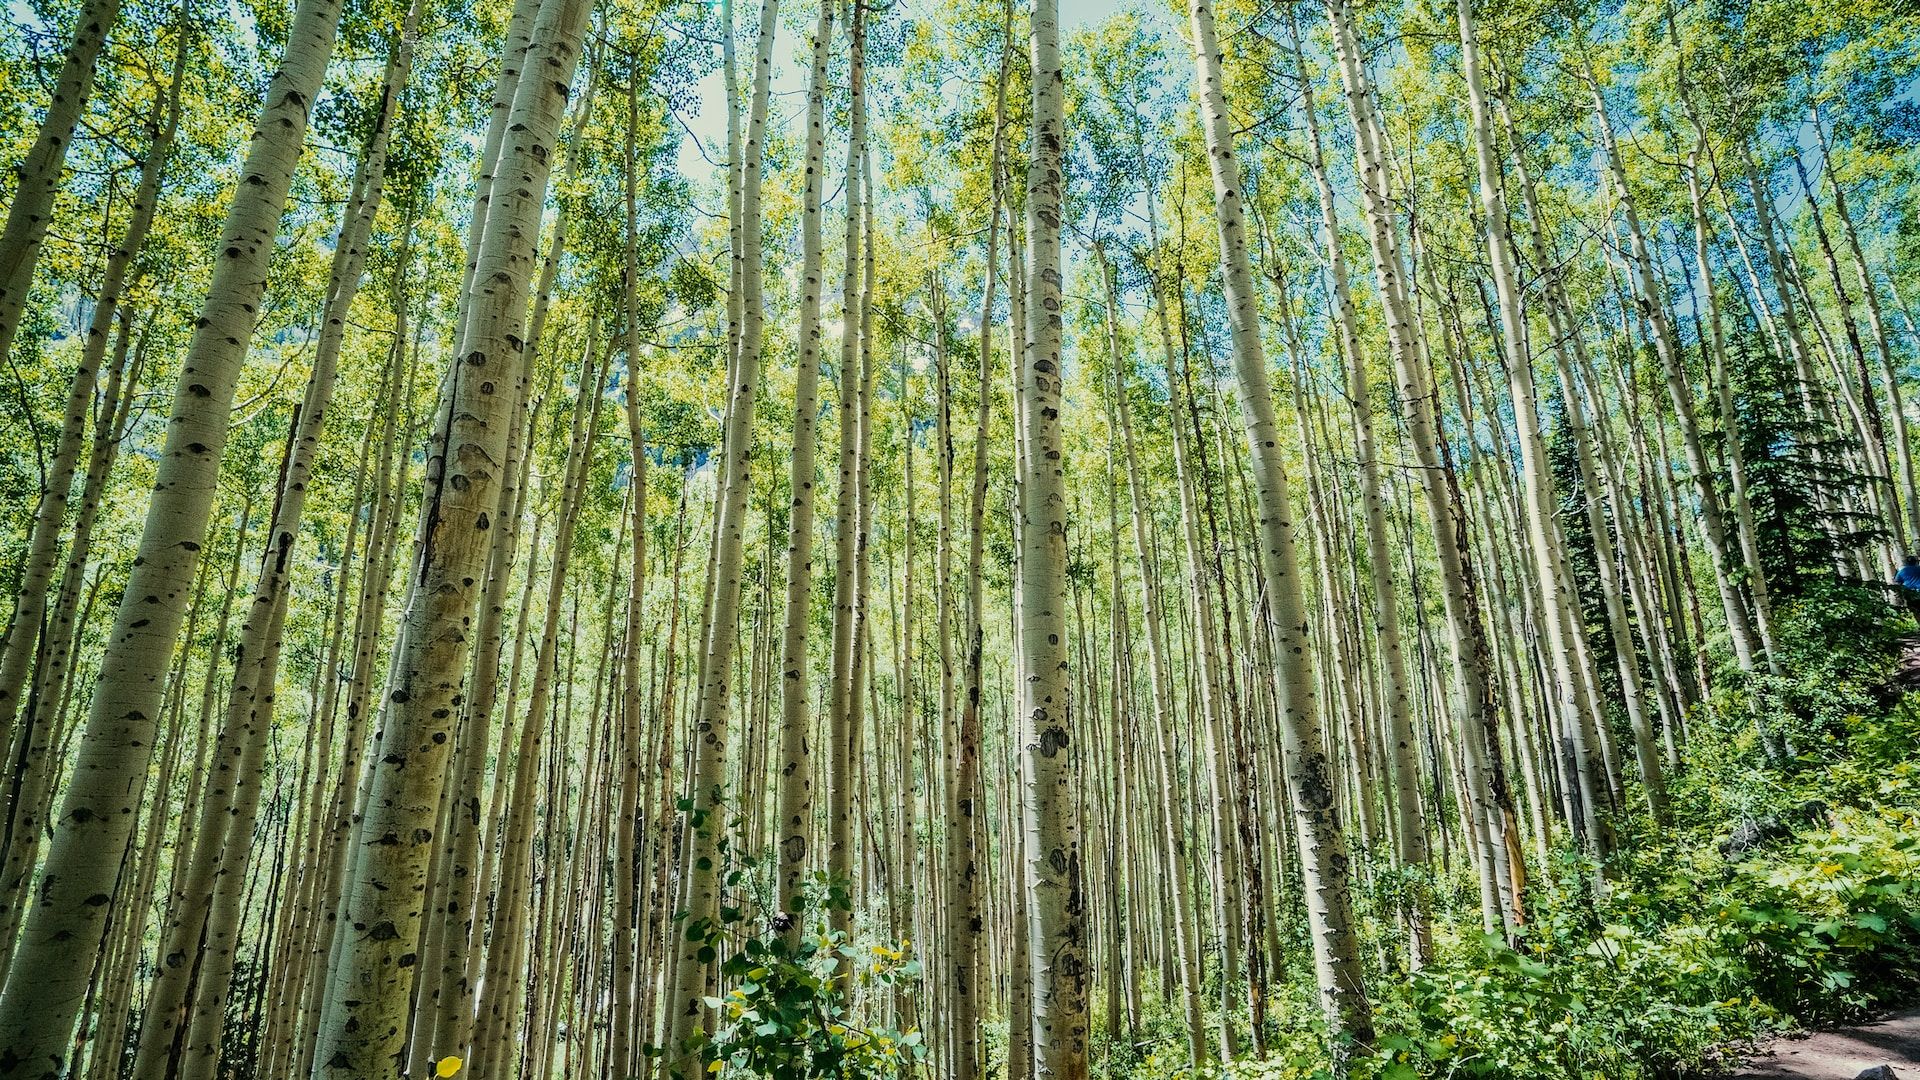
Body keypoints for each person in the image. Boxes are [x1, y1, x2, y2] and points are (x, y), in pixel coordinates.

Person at [1896, 555, 1920, 620]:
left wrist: (1899, 596)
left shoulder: (1902, 572)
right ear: (1916, 562)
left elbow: (1898, 583)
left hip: (1910, 594)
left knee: (1915, 611)